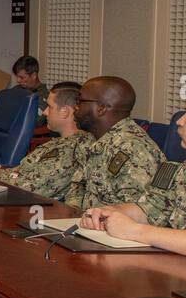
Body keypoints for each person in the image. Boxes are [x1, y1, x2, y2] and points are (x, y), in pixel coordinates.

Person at [81, 84, 186, 263]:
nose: (179, 121)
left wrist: (135, 231)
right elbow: (149, 209)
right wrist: (108, 213)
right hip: (181, 273)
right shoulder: (185, 169)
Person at [0, 82, 90, 200]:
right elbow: (23, 172)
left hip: (32, 209)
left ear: (65, 111)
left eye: (50, 107)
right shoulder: (57, 142)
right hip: (13, 193)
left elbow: (33, 187)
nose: (45, 112)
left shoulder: (74, 149)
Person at [64, 76, 163, 211]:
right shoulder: (90, 140)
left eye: (80, 101)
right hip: (85, 224)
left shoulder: (133, 150)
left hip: (112, 228)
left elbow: (138, 213)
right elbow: (78, 185)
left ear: (101, 109)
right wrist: (72, 212)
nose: (75, 106)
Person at [12, 56, 48, 125]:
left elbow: (35, 120)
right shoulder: (17, 89)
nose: (18, 80)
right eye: (17, 76)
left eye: (22, 77)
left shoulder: (43, 95)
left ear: (34, 75)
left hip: (22, 131)